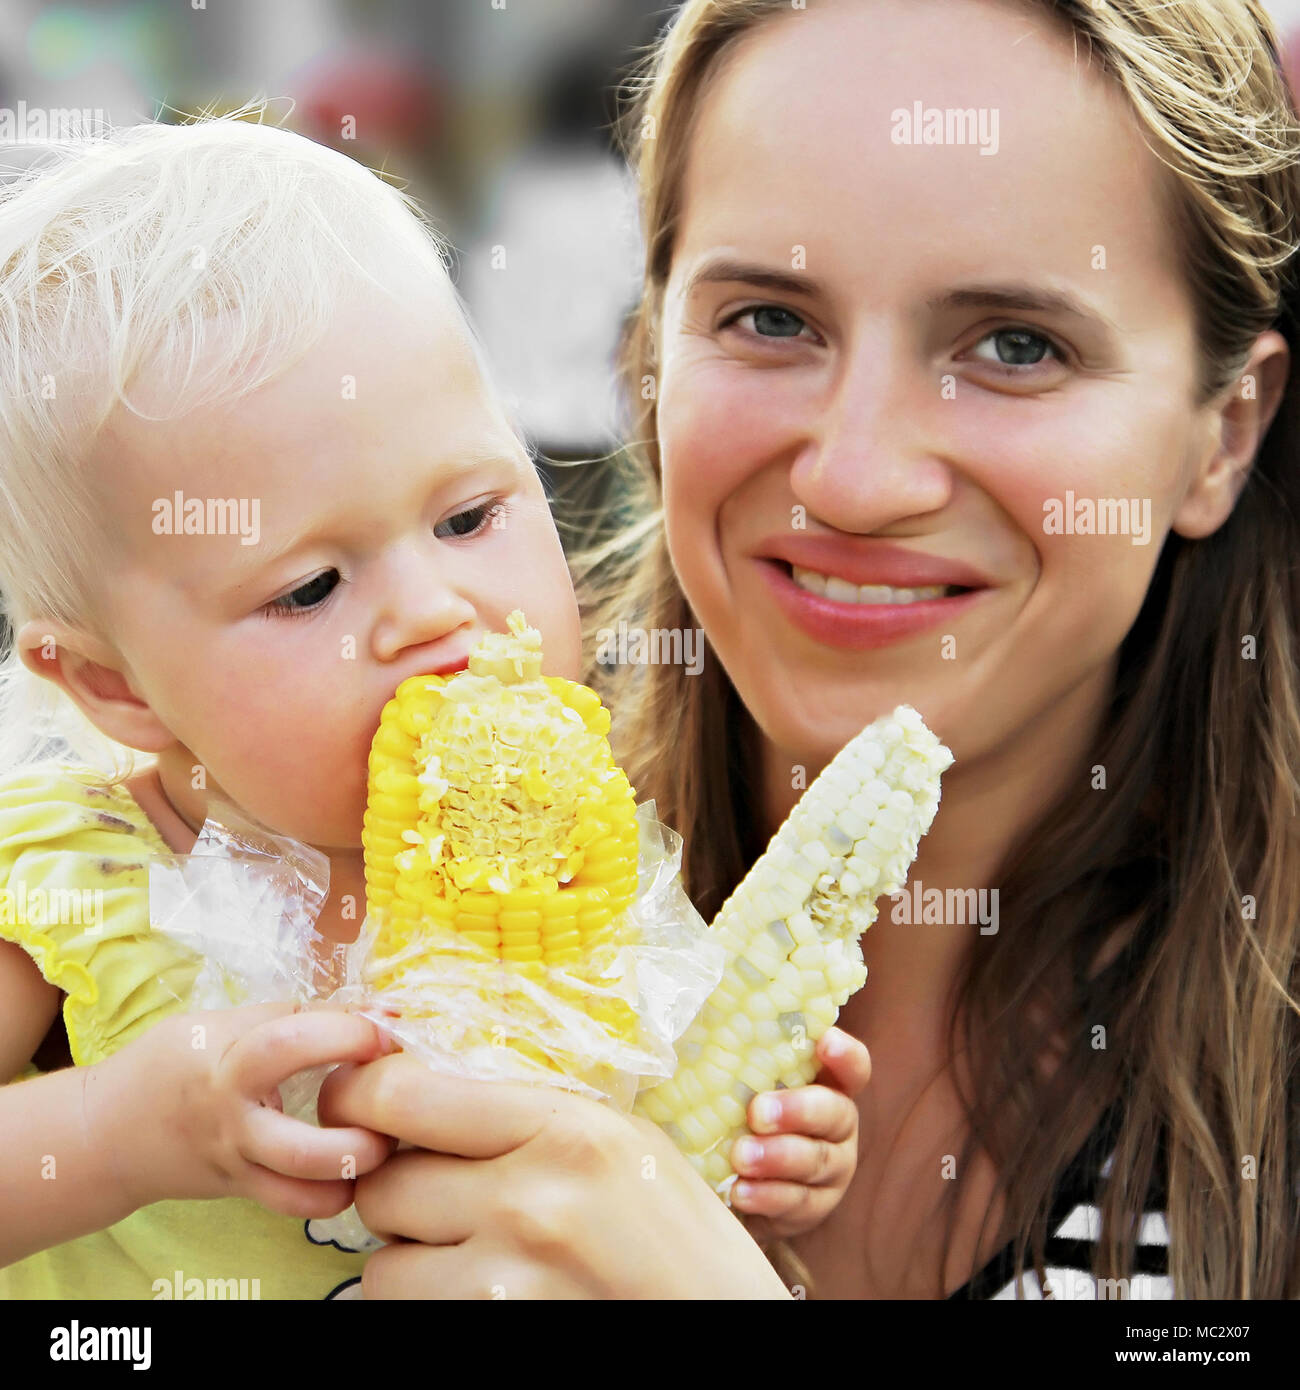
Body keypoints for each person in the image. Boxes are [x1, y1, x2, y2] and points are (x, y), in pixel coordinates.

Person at [319, 0, 1300, 1299]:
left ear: (1222, 434)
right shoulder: (307, 920)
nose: (854, 477)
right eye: (771, 320)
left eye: (1016, 345)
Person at [0, 111, 866, 1298]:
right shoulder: (77, 883)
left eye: (469, 516)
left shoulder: (595, 867)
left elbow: (623, 1180)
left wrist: (753, 1159)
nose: (433, 610)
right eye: (308, 588)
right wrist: (111, 1134)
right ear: (112, 684)